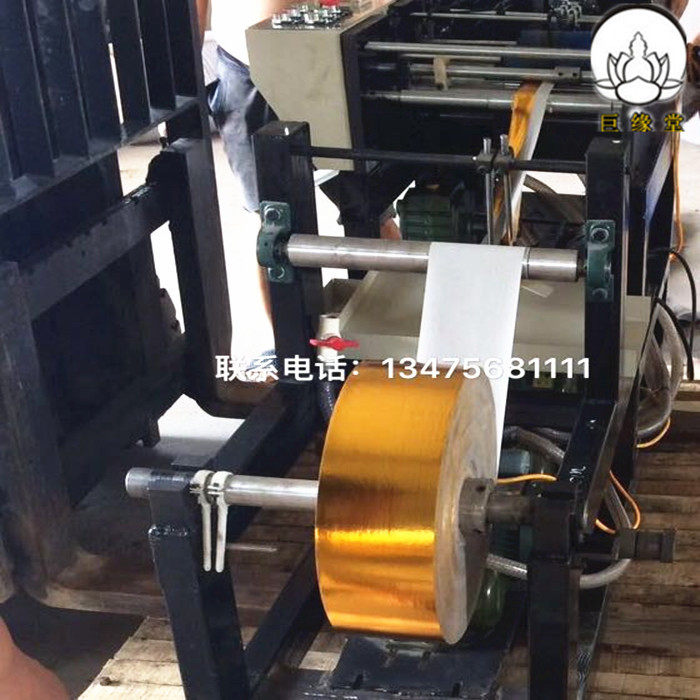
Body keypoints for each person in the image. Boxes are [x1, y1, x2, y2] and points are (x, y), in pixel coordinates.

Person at [196, 1, 401, 321]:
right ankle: (286, 343)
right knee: (271, 224)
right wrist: (187, 79)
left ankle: (397, 328)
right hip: (245, 68)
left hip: (324, 58)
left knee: (369, 207)